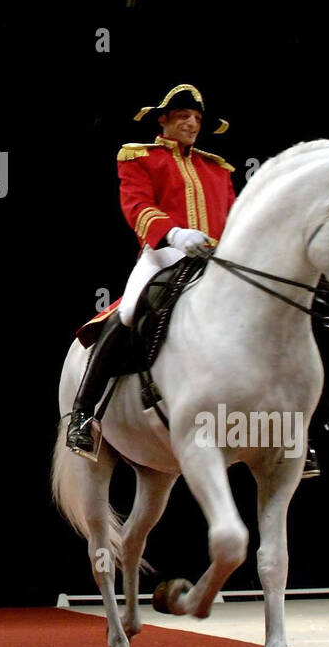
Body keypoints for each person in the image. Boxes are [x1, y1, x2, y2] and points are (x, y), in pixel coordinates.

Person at [66, 83, 236, 454]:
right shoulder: (139, 157)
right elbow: (137, 205)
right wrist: (173, 234)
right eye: (183, 116)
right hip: (165, 254)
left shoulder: (217, 169)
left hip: (214, 259)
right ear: (164, 120)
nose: (192, 123)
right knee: (126, 314)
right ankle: (82, 414)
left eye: (196, 118)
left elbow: (235, 217)